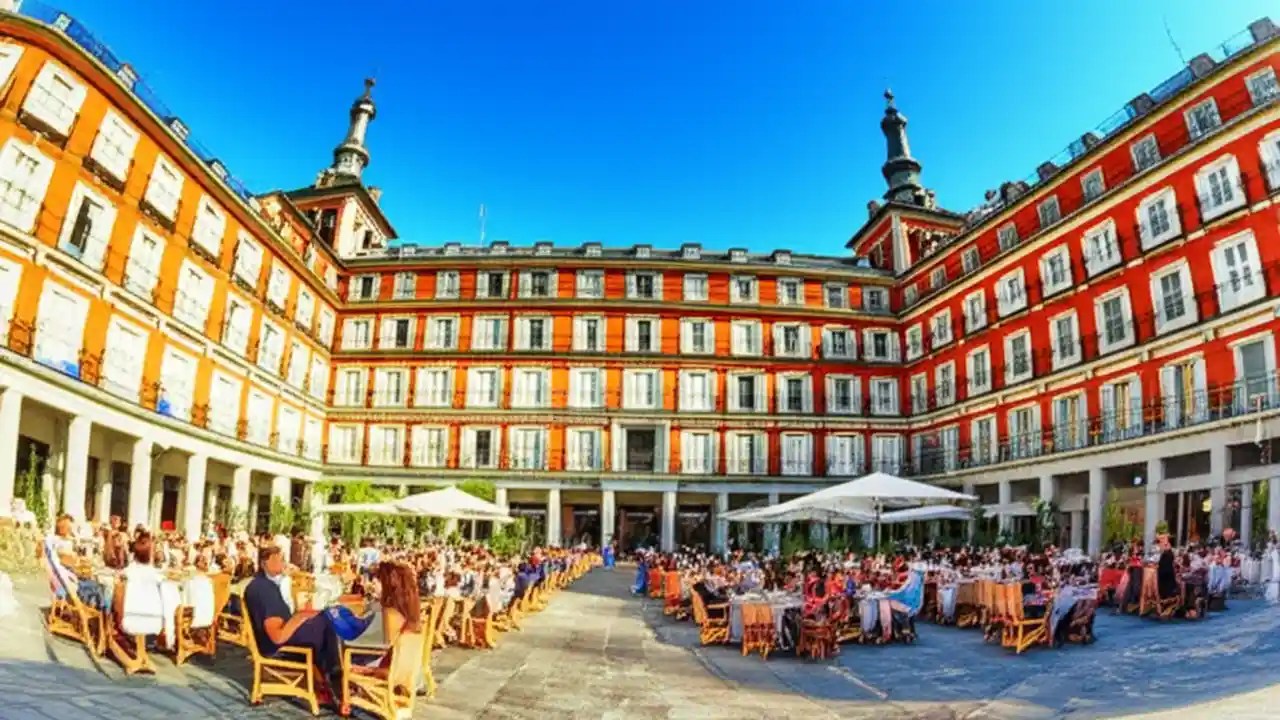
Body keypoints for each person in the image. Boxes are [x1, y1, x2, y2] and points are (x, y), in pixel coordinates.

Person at [243, 545, 343, 707]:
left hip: (282, 638)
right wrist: (300, 616)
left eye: (282, 559)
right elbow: (278, 636)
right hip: (277, 647)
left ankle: (330, 677)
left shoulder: (263, 585)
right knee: (327, 623)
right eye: (277, 560)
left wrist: (304, 616)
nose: (282, 563)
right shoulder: (263, 590)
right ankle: (334, 677)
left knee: (325, 622)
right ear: (263, 563)